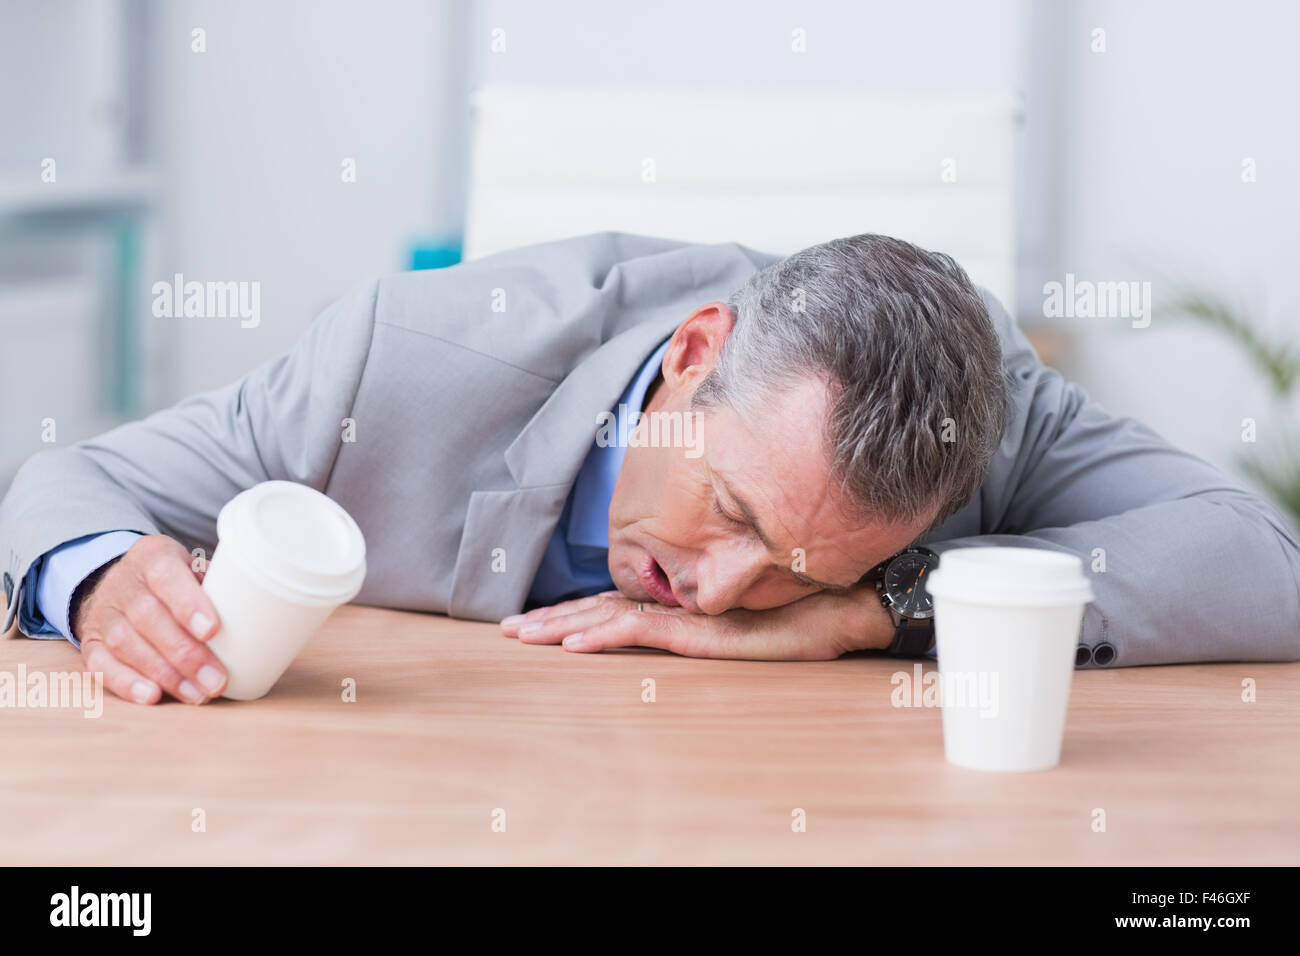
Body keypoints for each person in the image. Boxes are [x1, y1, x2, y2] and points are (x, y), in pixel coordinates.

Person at [2, 232, 1296, 706]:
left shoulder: (985, 418)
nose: (726, 594)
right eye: (729, 508)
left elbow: (1260, 567)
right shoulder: (397, 369)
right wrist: (106, 577)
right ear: (692, 353)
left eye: (800, 567)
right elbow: (70, 484)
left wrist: (876, 614)